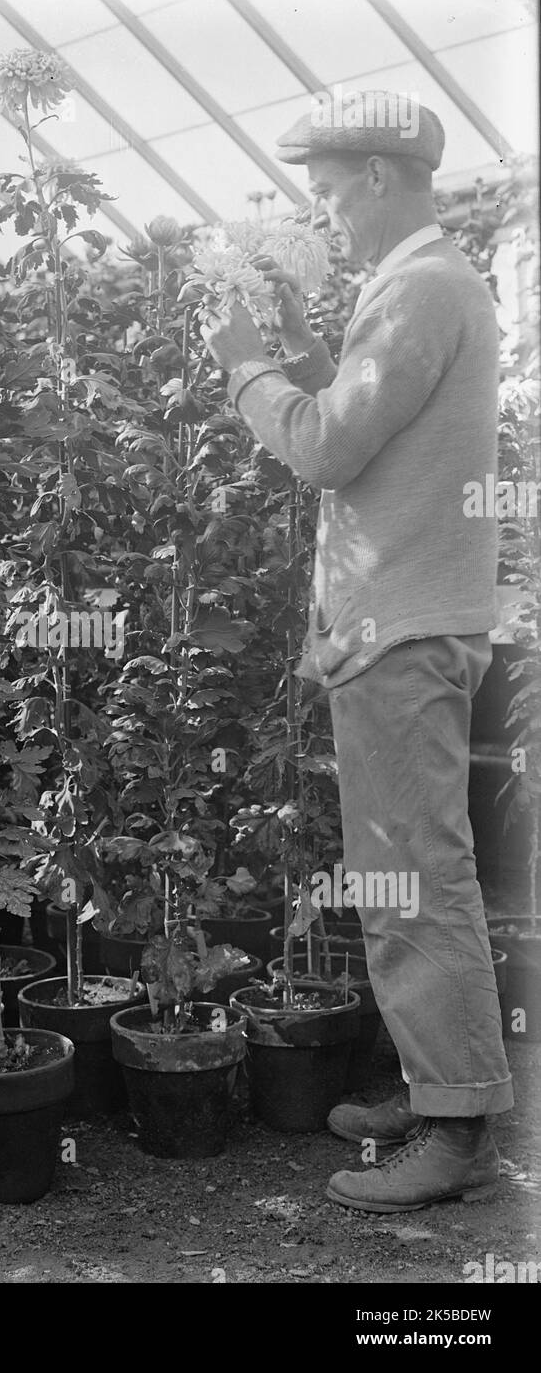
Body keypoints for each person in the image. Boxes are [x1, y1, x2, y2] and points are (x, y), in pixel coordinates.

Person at [201, 91, 513, 1213]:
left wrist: (244, 368)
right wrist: (298, 341)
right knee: (405, 871)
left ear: (380, 179)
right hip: (401, 632)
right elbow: (378, 420)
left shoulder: (425, 287)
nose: (325, 216)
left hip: (403, 636)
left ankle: (459, 1129)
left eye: (331, 194)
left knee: (415, 881)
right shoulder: (425, 286)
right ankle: (439, 1089)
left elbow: (329, 445)